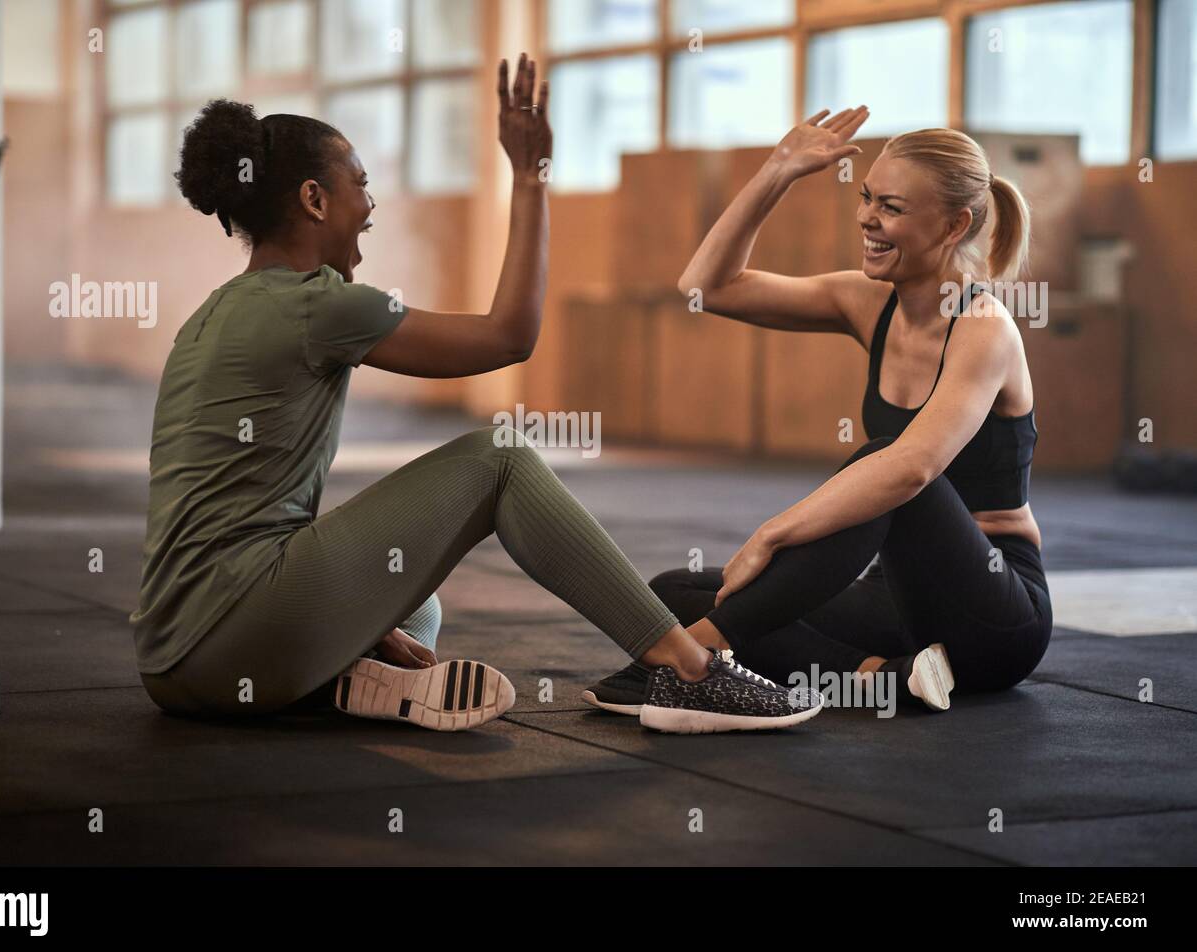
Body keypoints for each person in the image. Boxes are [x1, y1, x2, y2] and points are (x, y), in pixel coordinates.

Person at [129, 55, 823, 735]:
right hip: (240, 629)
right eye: (360, 184)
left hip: (174, 664)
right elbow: (510, 337)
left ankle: (347, 675)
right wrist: (528, 177)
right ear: (314, 199)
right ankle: (687, 669)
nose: (370, 203)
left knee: (415, 602)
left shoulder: (209, 317)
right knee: (500, 460)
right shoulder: (321, 306)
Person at [585, 108, 1052, 716]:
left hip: (994, 614)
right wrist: (778, 170)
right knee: (673, 593)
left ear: (954, 224)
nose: (866, 218)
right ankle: (875, 677)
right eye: (865, 199)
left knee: (885, 459)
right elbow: (706, 286)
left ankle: (695, 659)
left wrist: (771, 535)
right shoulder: (866, 302)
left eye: (891, 207)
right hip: (895, 605)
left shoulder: (985, 328)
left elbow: (912, 467)